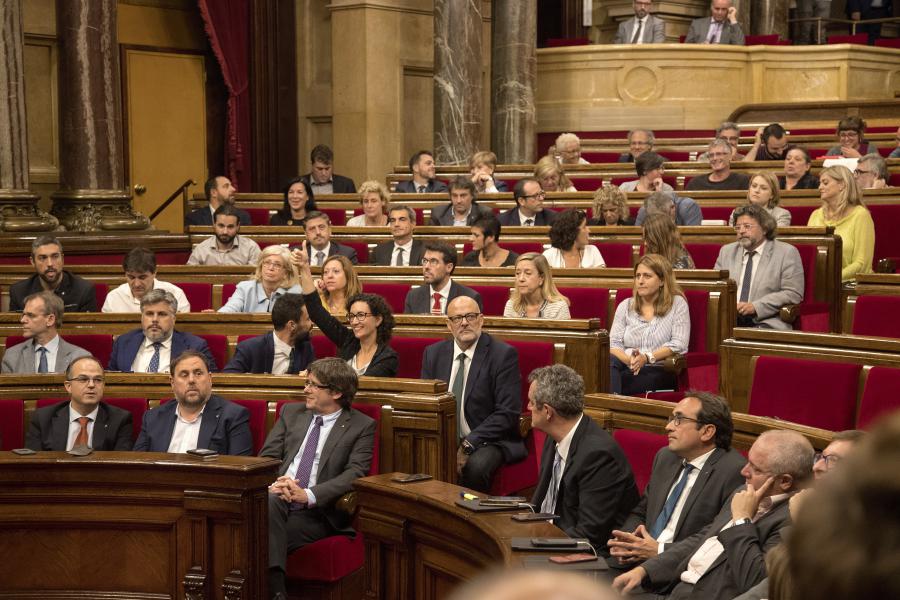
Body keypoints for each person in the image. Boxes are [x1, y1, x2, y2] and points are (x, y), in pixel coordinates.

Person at [613, 429, 814, 599]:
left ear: (785, 481)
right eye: (748, 462)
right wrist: (645, 570)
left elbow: (755, 580)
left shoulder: (792, 520)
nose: (744, 472)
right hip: (674, 589)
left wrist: (741, 521)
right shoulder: (744, 491)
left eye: (756, 469)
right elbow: (703, 538)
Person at [261, 358, 375, 599]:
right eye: (306, 383)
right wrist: (279, 483)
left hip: (318, 513)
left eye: (313, 385)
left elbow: (355, 473)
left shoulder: (361, 426)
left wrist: (308, 495)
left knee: (259, 536)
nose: (306, 389)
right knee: (270, 504)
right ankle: (277, 591)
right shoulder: (291, 413)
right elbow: (268, 457)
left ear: (336, 392)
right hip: (277, 498)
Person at [608, 393, 746, 568]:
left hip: (678, 571)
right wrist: (626, 542)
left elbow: (714, 539)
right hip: (635, 560)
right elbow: (642, 511)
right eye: (672, 419)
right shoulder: (666, 457)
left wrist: (659, 550)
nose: (668, 427)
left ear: (707, 432)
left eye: (679, 420)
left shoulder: (733, 471)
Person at [733, 429, 865, 600]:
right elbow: (768, 586)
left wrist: (804, 525)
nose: (817, 467)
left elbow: (795, 584)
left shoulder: (864, 536)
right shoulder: (811, 509)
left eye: (833, 460)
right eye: (820, 457)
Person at [529, 364, 639, 553]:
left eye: (531, 402)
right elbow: (541, 503)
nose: (528, 407)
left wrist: (536, 545)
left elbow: (590, 534)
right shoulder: (554, 435)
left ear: (547, 411)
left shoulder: (598, 455)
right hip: (553, 536)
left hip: (588, 553)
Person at [421, 296, 523, 492]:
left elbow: (507, 412)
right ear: (449, 325)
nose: (464, 323)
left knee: (476, 467)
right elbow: (427, 403)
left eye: (470, 316)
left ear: (481, 320)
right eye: (457, 318)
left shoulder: (502, 355)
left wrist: (469, 444)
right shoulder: (433, 353)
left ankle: (470, 512)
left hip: (488, 439)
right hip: (444, 436)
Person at [293, 248, 398, 377]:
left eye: (361, 315)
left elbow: (358, 383)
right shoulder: (348, 340)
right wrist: (304, 268)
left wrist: (320, 373)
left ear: (378, 320)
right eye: (352, 316)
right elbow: (316, 312)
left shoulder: (388, 357)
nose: (354, 321)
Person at [133, 350, 251, 454]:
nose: (191, 380)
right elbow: (138, 463)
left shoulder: (233, 416)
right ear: (172, 382)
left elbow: (239, 466)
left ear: (210, 379)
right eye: (184, 375)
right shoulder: (153, 418)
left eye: (198, 373)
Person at [609, 254, 690, 395]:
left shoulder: (677, 304)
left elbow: (679, 344)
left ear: (662, 280)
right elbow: (613, 343)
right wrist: (631, 361)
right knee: (608, 364)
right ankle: (613, 403)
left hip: (658, 368)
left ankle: (611, 403)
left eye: (647, 276)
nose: (640, 281)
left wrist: (646, 357)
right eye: (638, 276)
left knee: (616, 380)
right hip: (626, 364)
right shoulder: (626, 305)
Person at [717, 204, 804, 329]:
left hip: (767, 321)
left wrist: (756, 306)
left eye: (747, 226)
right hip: (728, 319)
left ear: (764, 228)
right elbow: (716, 286)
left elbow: (792, 293)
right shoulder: (727, 251)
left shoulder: (786, 252)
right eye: (738, 227)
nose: (741, 231)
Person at [24, 355, 134, 451]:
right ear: (68, 386)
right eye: (83, 379)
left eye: (98, 380)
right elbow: (33, 463)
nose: (91, 385)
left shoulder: (119, 420)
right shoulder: (42, 419)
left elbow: (120, 464)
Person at [108, 289, 215, 373]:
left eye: (162, 314)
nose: (154, 319)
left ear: (173, 319)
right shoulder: (123, 342)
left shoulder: (195, 346)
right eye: (149, 314)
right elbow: (111, 379)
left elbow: (212, 380)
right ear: (142, 317)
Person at [808, 165, 875, 281]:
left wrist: (830, 279)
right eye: (820, 183)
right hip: (818, 283)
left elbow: (862, 263)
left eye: (825, 183)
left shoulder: (861, 215)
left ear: (842, 185)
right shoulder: (815, 215)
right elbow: (808, 256)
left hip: (849, 284)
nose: (820, 187)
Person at [223, 294, 315, 374]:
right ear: (292, 325)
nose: (312, 323)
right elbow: (228, 379)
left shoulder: (306, 349)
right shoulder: (250, 349)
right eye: (308, 319)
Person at [1, 291, 90, 374]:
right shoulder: (12, 356)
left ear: (50, 320)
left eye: (31, 315)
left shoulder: (80, 357)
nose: (23, 320)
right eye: (23, 315)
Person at [9, 236, 96, 313]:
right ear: (32, 261)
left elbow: (87, 326)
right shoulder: (18, 292)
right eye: (42, 258)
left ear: (62, 259)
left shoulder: (84, 290)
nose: (50, 264)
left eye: (55, 256)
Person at [102, 247, 191, 313]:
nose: (136, 284)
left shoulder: (176, 295)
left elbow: (182, 330)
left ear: (154, 272)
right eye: (131, 277)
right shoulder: (113, 297)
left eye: (142, 277)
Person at [405, 241, 482, 314]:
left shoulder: (469, 297)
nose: (426, 266)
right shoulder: (413, 296)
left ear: (449, 267)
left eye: (433, 261)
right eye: (425, 261)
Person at [219, 245, 302, 313]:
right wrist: (216, 315)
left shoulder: (295, 292)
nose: (270, 268)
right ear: (261, 266)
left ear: (286, 273)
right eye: (267, 262)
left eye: (277, 265)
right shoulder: (245, 288)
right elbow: (229, 309)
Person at [187, 204, 261, 266]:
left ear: (238, 226)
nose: (225, 232)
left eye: (230, 227)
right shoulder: (201, 250)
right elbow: (190, 276)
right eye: (221, 226)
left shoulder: (251, 249)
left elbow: (257, 276)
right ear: (214, 225)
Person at [504, 253, 571, 319]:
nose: (521, 279)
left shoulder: (559, 307)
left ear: (541, 278)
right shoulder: (512, 305)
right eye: (518, 273)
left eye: (528, 273)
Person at [686, 138, 750, 191]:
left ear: (730, 156)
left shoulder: (743, 181)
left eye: (719, 154)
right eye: (711, 155)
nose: (715, 158)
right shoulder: (695, 183)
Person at [185, 176, 251, 227]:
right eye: (226, 186)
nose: (233, 189)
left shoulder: (243, 216)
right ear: (213, 192)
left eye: (231, 185)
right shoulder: (194, 219)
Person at [635, 192, 703, 226]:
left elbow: (692, 239)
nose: (659, 221)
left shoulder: (689, 207)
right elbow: (638, 235)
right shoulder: (645, 210)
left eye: (662, 216)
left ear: (673, 207)